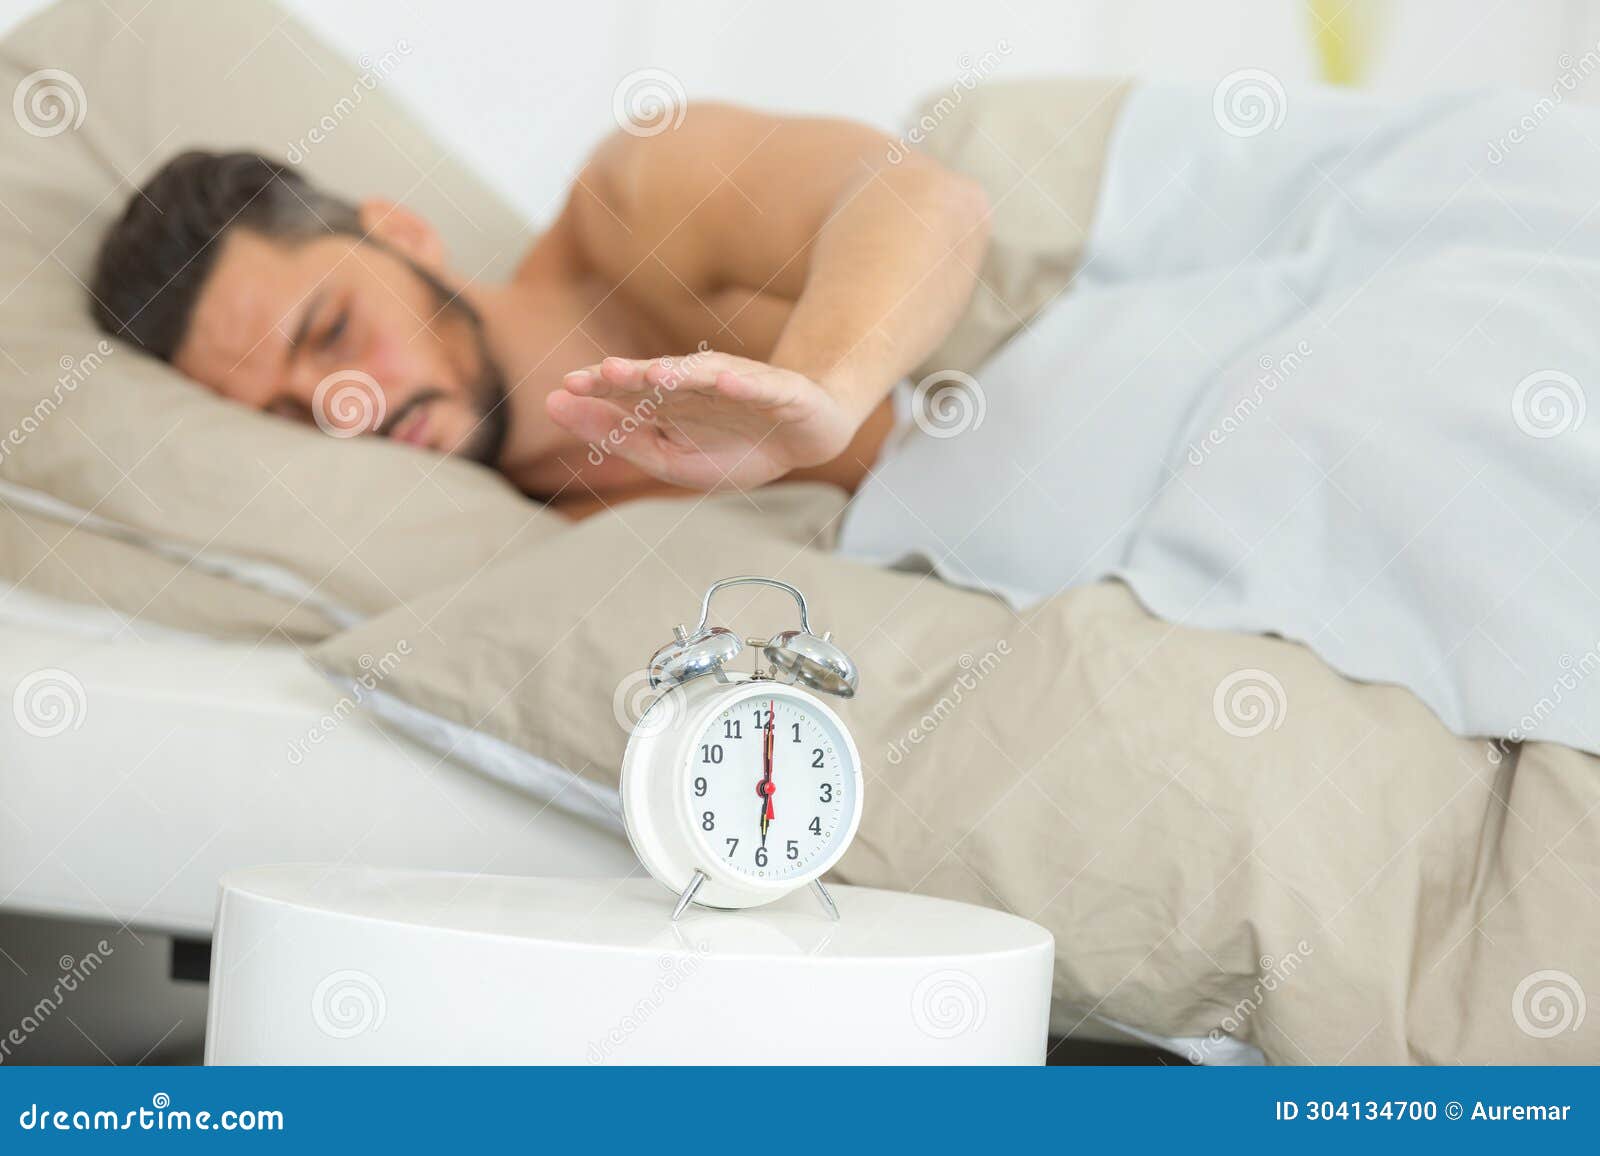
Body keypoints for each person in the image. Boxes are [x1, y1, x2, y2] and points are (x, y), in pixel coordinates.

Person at [88, 104, 989, 517]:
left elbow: (923, 203)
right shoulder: (531, 533)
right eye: (286, 412)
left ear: (400, 233)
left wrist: (814, 393)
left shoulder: (631, 205)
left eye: (332, 332)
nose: (340, 404)